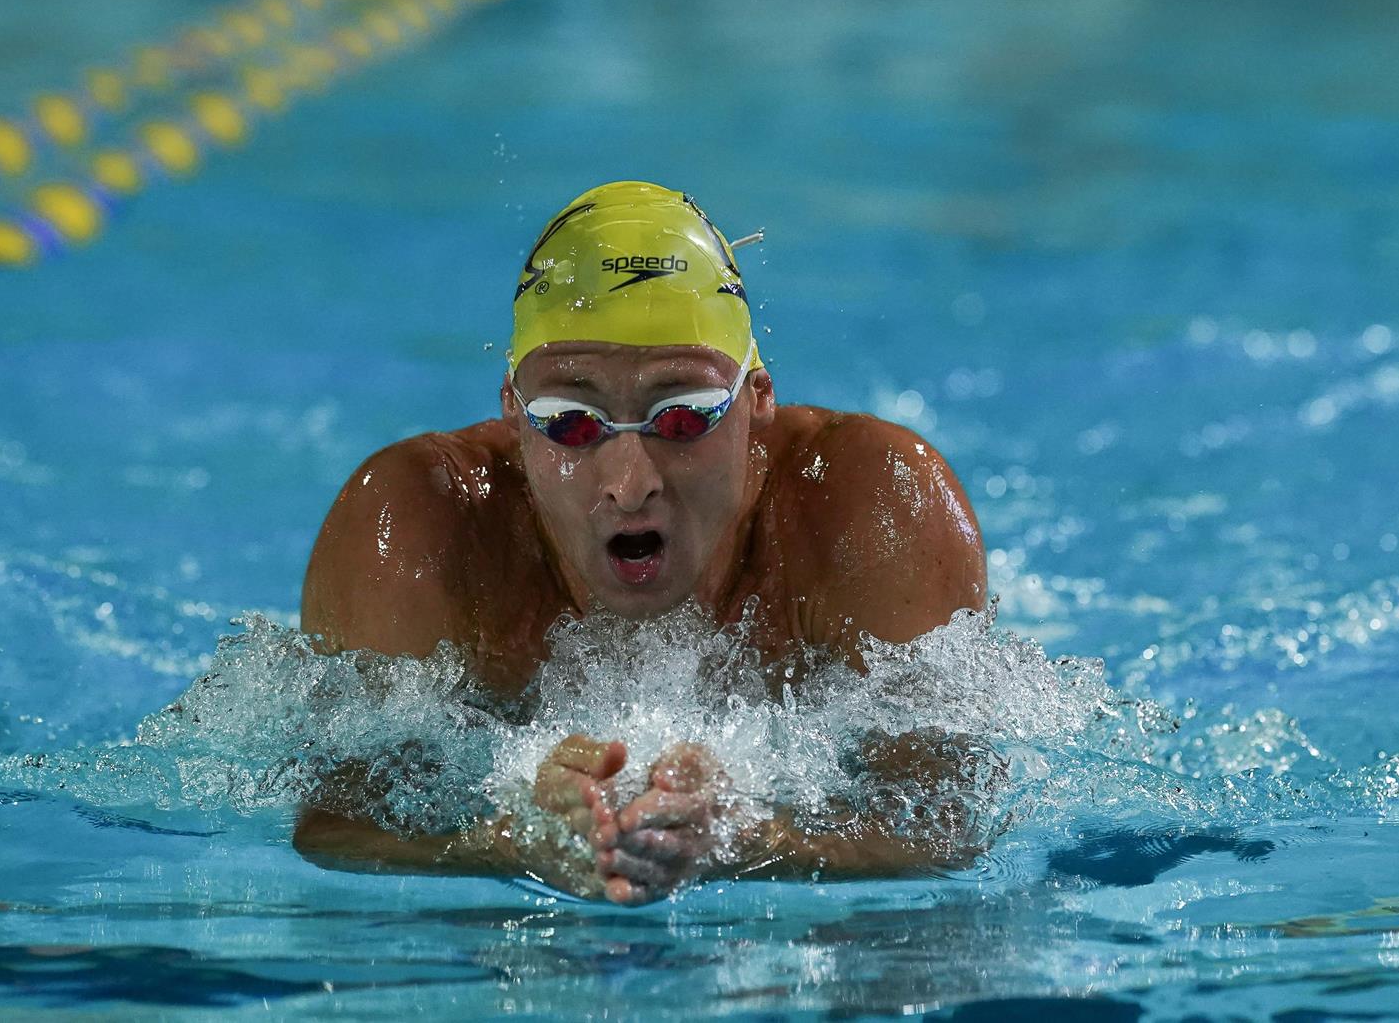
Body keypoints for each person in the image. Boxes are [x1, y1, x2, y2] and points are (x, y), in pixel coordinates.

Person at [293, 181, 990, 903]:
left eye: (683, 417)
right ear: (512, 412)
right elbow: (334, 827)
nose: (630, 482)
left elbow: (951, 824)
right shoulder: (419, 527)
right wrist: (508, 844)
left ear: (756, 399)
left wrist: (753, 842)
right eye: (571, 421)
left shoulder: (868, 508)